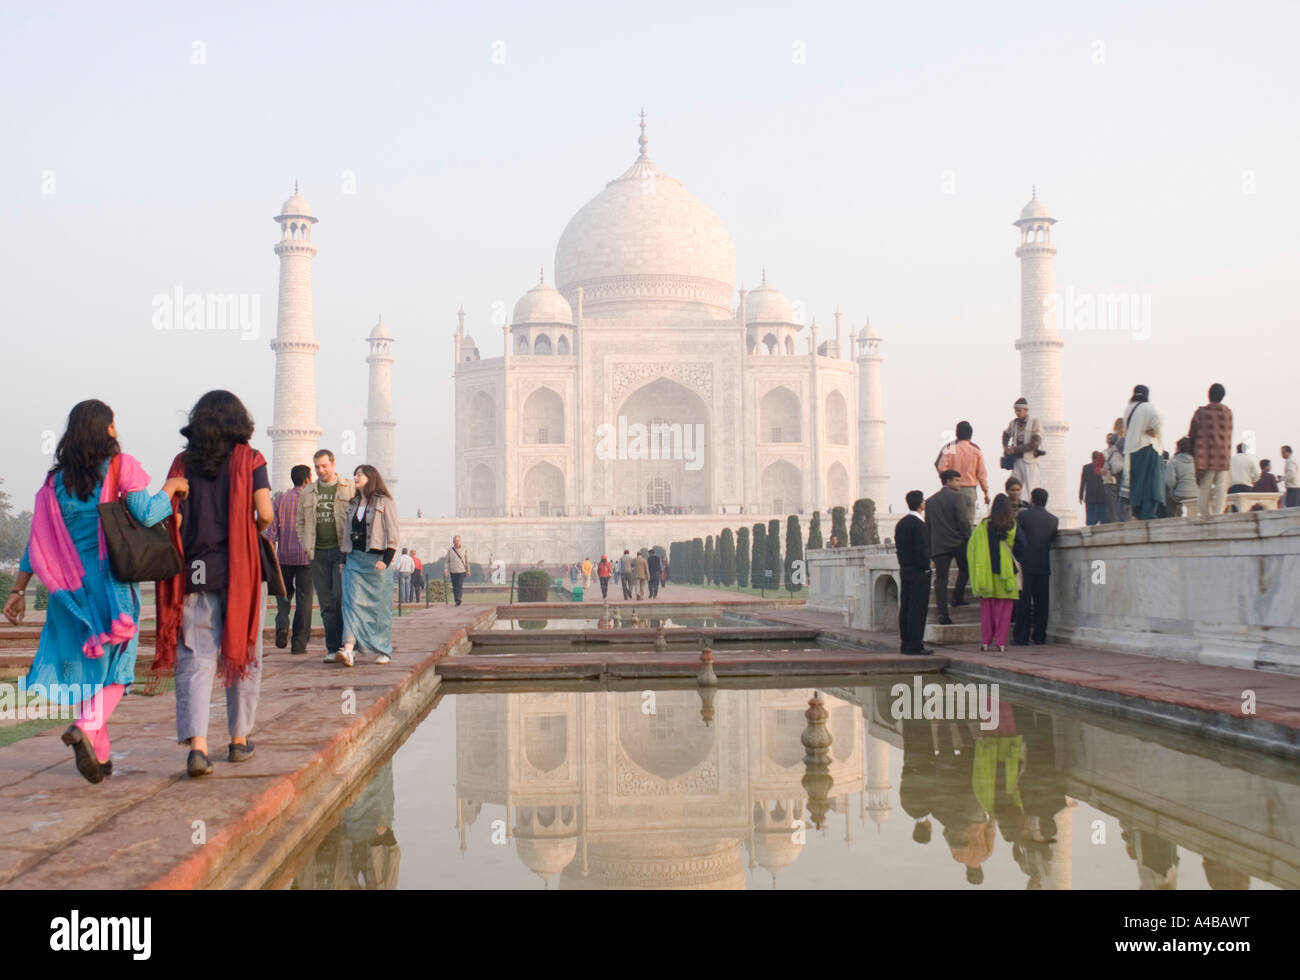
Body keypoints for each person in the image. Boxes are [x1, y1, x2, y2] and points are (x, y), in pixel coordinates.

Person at [3, 400, 186, 784]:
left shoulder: (54, 482)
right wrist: (170, 487)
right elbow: (148, 514)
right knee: (119, 668)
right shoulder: (120, 466)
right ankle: (86, 726)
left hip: (67, 590)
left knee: (90, 673)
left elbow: (37, 542)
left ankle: (99, 755)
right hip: (110, 585)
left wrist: (18, 591)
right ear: (107, 430)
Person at [155, 390, 273, 777]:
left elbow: (171, 517)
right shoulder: (251, 459)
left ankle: (198, 747)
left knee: (196, 656)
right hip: (240, 571)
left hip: (196, 569)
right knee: (242, 650)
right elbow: (266, 513)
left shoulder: (182, 463)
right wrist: (248, 532)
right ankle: (239, 741)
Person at [297, 449, 356, 663]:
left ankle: (348, 645)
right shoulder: (308, 492)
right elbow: (300, 522)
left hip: (342, 551)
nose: (321, 470)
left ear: (333, 464)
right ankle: (332, 648)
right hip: (318, 553)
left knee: (342, 599)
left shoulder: (348, 488)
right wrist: (305, 545)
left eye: (324, 466)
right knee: (326, 603)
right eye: (317, 467)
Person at [338, 465, 400, 667]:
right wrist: (343, 559)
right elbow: (346, 532)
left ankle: (383, 649)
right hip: (354, 558)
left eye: (359, 474)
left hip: (376, 561)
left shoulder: (384, 501)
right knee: (351, 605)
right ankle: (348, 648)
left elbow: (392, 532)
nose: (355, 477)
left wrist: (387, 558)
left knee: (378, 609)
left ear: (371, 477)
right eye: (354, 473)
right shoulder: (353, 502)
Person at [266, 464, 314, 653]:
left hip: (284, 558)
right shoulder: (312, 501)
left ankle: (282, 627)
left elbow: (271, 534)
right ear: (307, 479)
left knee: (283, 599)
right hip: (306, 558)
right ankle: (299, 644)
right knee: (304, 601)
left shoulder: (280, 500)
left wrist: (272, 560)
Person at [967, 493, 1023, 653]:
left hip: (987, 574)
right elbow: (1022, 547)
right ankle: (1001, 643)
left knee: (987, 611)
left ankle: (985, 641)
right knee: (1004, 612)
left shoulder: (984, 526)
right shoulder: (1012, 525)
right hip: (1006, 575)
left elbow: (972, 548)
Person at [1013, 489, 1058, 646]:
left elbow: (1017, 537)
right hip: (1043, 565)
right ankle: (1039, 636)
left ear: (1032, 499)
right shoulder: (1053, 519)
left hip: (1025, 565)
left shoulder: (1023, 516)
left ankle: (1021, 638)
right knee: (1042, 604)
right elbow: (1052, 538)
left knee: (1023, 604)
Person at [925, 470, 970, 626]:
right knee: (966, 568)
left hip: (938, 544)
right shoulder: (958, 497)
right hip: (957, 542)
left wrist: (931, 547)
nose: (959, 483)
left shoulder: (930, 501)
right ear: (948, 481)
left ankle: (943, 614)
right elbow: (963, 521)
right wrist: (968, 537)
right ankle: (957, 597)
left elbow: (928, 526)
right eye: (957, 480)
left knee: (941, 580)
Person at [894, 490, 933, 656]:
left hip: (905, 569)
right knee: (917, 608)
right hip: (918, 571)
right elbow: (922, 550)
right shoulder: (919, 524)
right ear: (920, 504)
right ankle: (915, 645)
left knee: (906, 607)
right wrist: (926, 567)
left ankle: (905, 643)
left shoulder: (901, 523)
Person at [1187, 384, 1233, 517]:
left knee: (1204, 489)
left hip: (1205, 457)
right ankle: (1218, 515)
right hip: (1223, 456)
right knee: (1221, 489)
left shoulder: (1201, 413)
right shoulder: (1228, 413)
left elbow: (1192, 433)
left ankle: (1206, 515)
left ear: (1209, 395)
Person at [1122, 385, 1164, 520]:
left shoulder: (1128, 409)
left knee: (1137, 482)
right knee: (1151, 483)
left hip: (1132, 450)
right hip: (1148, 447)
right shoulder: (1148, 407)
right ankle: (1148, 514)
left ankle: (1137, 512)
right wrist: (1153, 430)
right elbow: (1157, 417)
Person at [935, 421, 989, 524]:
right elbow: (982, 475)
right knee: (968, 524)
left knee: (951, 523)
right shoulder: (976, 451)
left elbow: (940, 467)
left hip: (951, 490)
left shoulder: (949, 448)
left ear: (956, 434)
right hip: (969, 491)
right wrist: (986, 493)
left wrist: (948, 480)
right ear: (971, 435)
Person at [1002, 398, 1043, 495]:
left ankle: (1033, 509)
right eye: (1016, 411)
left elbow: (1034, 444)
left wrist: (1014, 450)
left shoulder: (1034, 422)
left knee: (1031, 489)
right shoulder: (1013, 423)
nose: (1018, 413)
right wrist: (1005, 447)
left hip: (1029, 460)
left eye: (1020, 411)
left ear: (1026, 410)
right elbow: (1006, 434)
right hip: (1017, 461)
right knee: (1014, 485)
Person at [1165, 438, 1198, 517]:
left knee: (1168, 493)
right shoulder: (1196, 461)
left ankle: (1173, 518)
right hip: (1196, 494)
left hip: (1179, 495)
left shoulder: (1173, 461)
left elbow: (1170, 482)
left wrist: (1174, 488)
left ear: (1179, 448)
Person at [1079, 452, 1108, 526]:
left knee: (1090, 520)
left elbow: (1083, 483)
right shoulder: (1103, 468)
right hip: (1102, 496)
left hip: (1090, 497)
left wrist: (1080, 496)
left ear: (1092, 458)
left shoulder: (1086, 468)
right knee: (1103, 519)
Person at [1101, 432, 1124, 522]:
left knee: (1111, 507)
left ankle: (1114, 523)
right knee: (1119, 504)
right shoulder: (1120, 452)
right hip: (1118, 480)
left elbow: (1101, 470)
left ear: (1107, 442)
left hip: (1108, 481)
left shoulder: (1104, 453)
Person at [446, 536, 469, 606]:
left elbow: (467, 561)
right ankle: (456, 599)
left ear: (460, 541)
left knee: (459, 585)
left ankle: (458, 598)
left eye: (458, 540)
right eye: (456, 541)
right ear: (453, 542)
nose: (457, 542)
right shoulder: (450, 550)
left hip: (462, 570)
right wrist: (445, 569)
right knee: (454, 586)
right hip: (453, 571)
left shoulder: (464, 549)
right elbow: (447, 561)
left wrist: (468, 570)